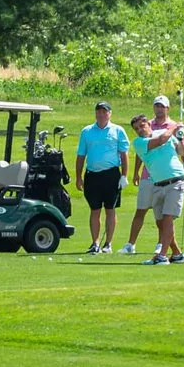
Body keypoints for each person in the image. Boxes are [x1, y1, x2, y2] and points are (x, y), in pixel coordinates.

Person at [133, 94, 184, 264]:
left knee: (168, 218)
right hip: (157, 184)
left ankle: (162, 256)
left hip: (175, 180)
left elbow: (180, 150)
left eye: (142, 126)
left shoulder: (163, 133)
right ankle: (177, 254)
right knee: (160, 222)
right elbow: (160, 141)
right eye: (137, 128)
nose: (140, 130)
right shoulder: (139, 143)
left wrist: (180, 137)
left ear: (148, 124)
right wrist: (174, 127)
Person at [73, 101, 131, 254]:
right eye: (98, 111)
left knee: (110, 209)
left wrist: (124, 175)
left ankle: (108, 244)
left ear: (109, 113)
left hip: (111, 174)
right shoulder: (87, 131)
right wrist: (78, 177)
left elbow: (124, 154)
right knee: (95, 209)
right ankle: (95, 243)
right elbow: (81, 155)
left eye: (104, 111)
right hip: (92, 175)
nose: (101, 114)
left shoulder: (117, 130)